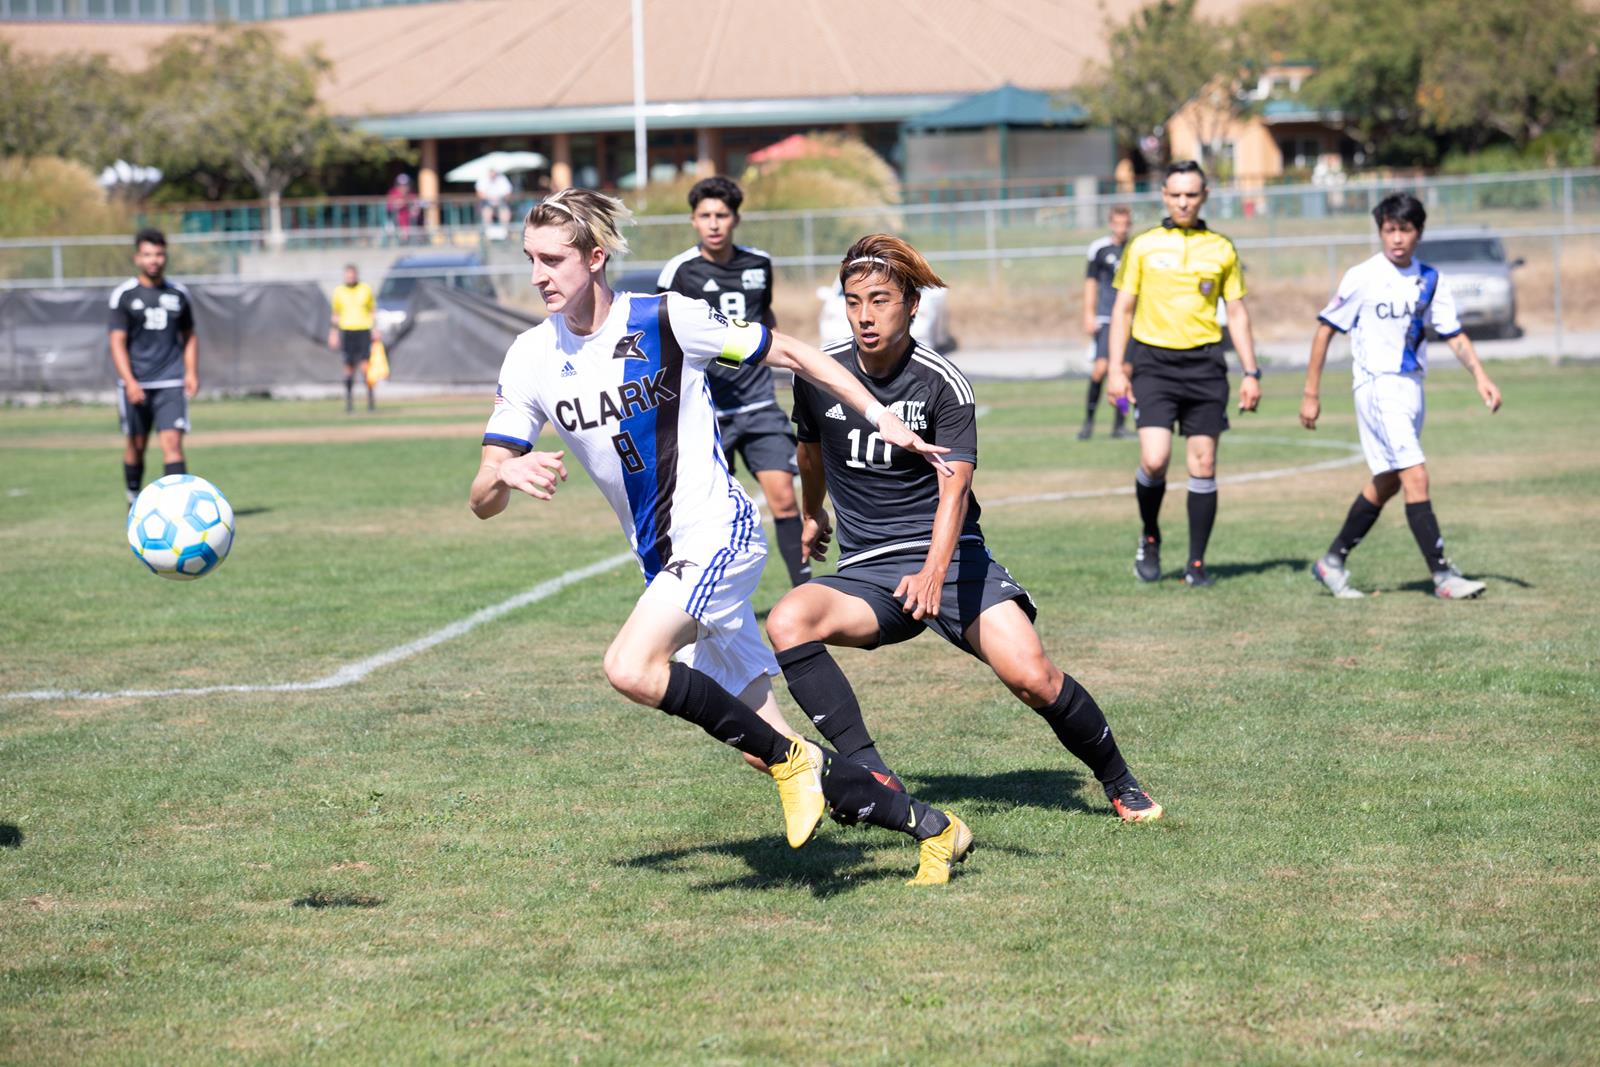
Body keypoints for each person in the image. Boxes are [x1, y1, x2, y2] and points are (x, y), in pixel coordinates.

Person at [469, 189, 974, 885]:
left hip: (718, 534)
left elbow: (794, 352)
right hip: (667, 562)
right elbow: (482, 498)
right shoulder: (529, 357)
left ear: (594, 257)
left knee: (629, 665)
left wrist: (876, 413)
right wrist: (506, 470)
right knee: (762, 741)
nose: (537, 275)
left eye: (552, 259)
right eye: (529, 259)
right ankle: (935, 828)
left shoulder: (667, 317)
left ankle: (795, 765)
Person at [764, 234, 1164, 826]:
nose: (866, 315)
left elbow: (954, 489)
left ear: (912, 306)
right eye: (853, 301)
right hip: (869, 573)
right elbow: (810, 454)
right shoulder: (821, 375)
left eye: (880, 300)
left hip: (952, 563)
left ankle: (1119, 780)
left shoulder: (941, 382)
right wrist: (814, 512)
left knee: (1033, 678)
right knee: (787, 619)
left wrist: (932, 571)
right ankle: (874, 776)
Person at [1300, 192, 1502, 600]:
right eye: (1388, 230)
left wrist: (1480, 375)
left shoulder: (1430, 279)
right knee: (1416, 474)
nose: (1396, 238)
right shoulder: (1363, 276)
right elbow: (1325, 330)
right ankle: (1443, 576)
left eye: (1404, 230)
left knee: (1389, 481)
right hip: (1378, 386)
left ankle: (1331, 561)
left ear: (1419, 232)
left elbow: (1453, 333)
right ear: (1380, 231)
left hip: (1411, 388)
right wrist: (1310, 393)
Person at [1106, 160, 1263, 588]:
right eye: (1175, 194)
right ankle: (1150, 535)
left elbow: (1238, 313)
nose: (1183, 202)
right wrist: (1117, 370)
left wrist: (1251, 371)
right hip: (1153, 364)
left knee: (1204, 463)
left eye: (1191, 194)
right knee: (1154, 460)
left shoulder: (1222, 248)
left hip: (1206, 366)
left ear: (1205, 196)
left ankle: (1196, 565)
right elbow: (1122, 310)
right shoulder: (1142, 245)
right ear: (1163, 195)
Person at [656, 177, 810, 587]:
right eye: (705, 215)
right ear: (692, 220)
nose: (714, 223)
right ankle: (686, 595)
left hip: (759, 404)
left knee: (783, 499)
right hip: (707, 412)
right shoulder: (679, 271)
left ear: (735, 218)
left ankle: (807, 595)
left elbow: (767, 319)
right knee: (697, 513)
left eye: (721, 215)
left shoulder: (759, 264)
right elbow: (662, 338)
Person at [109, 228, 197, 505]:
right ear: (137, 258)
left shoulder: (179, 293)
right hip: (136, 383)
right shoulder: (124, 295)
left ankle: (177, 508)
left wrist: (191, 372)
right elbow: (116, 342)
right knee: (136, 445)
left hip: (171, 381)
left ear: (165, 256)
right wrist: (130, 381)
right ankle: (133, 498)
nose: (154, 260)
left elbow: (190, 335)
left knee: (172, 444)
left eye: (159, 254)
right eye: (148, 254)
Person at [1078, 205, 1134, 440]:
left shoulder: (1136, 248)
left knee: (1126, 370)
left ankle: (1119, 425)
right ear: (1111, 224)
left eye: (1125, 224)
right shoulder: (1099, 249)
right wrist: (1089, 314)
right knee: (1101, 369)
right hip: (1106, 317)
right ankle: (1088, 422)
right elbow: (1091, 283)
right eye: (1117, 223)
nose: (1121, 228)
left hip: (1131, 318)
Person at [329, 264, 380, 413]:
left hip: (363, 330)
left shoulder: (365, 289)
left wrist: (375, 329)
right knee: (349, 368)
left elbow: (372, 310)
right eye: (348, 275)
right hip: (347, 331)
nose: (350, 277)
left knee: (365, 368)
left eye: (352, 275)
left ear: (356, 275)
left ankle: (370, 403)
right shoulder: (339, 291)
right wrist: (333, 333)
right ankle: (349, 404)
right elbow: (335, 314)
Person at [476, 166, 513, 235]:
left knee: (505, 214)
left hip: (501, 202)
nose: (493, 174)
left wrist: (499, 198)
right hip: (487, 203)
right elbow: (479, 194)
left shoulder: (502, 179)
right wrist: (490, 197)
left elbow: (508, 193)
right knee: (487, 214)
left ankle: (505, 234)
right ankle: (488, 235)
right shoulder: (483, 179)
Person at [385, 174, 416, 244]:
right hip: (394, 222)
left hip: (408, 224)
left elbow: (415, 210)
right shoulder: (393, 193)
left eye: (406, 185)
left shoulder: (411, 194)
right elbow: (390, 207)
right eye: (401, 185)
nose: (403, 187)